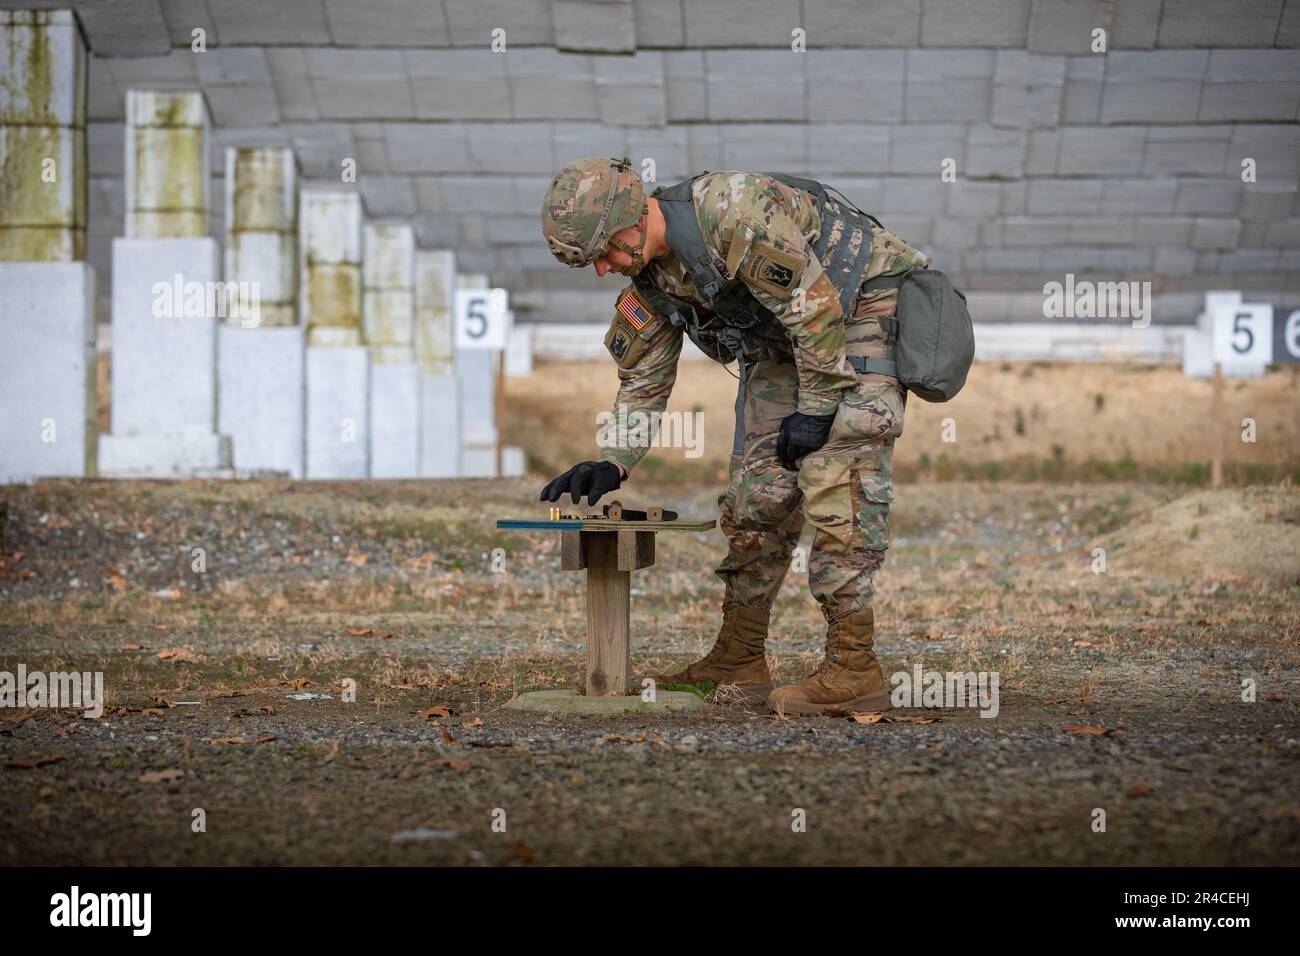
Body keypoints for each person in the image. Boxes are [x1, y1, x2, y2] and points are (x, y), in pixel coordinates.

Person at [537, 157, 930, 716]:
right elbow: (643, 377)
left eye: (603, 253)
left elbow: (813, 309)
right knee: (756, 495)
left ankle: (854, 666)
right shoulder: (647, 279)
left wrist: (817, 411)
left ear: (630, 218)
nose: (602, 269)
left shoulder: (732, 213)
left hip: (859, 305)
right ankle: (740, 656)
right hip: (786, 338)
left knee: (836, 477)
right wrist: (613, 461)